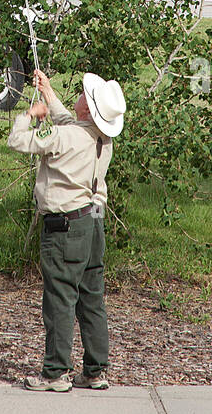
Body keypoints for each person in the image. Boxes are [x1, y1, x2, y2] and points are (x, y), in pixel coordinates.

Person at [7, 68, 125, 391]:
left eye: (86, 95)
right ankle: (95, 370)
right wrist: (48, 93)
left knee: (59, 297)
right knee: (91, 298)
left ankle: (56, 373)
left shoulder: (63, 137)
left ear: (87, 108)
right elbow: (69, 123)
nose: (82, 95)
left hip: (64, 229)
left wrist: (30, 114)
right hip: (93, 225)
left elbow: (18, 140)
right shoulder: (103, 138)